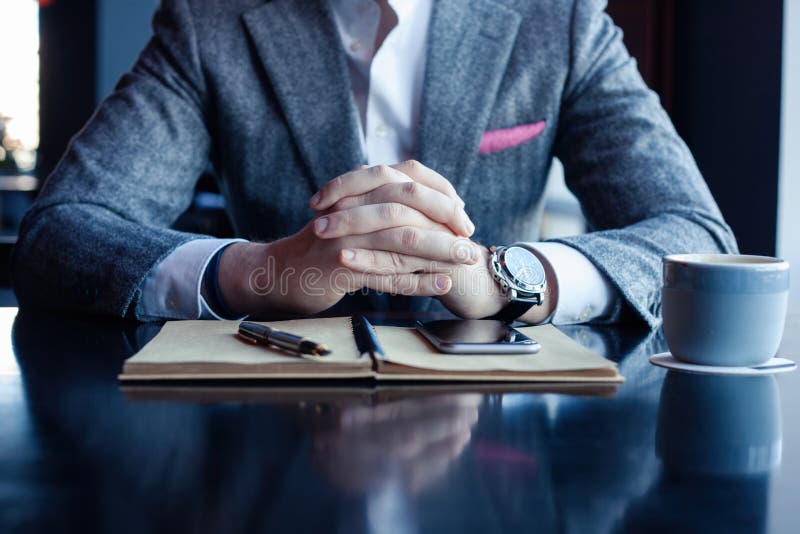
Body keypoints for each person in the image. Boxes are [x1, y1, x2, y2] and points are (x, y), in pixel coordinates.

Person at [11, 0, 737, 327]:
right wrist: (265, 273)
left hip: (502, 441)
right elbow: (58, 236)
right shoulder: (210, 22)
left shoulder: (562, 20)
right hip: (271, 437)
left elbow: (698, 238)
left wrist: (503, 277)